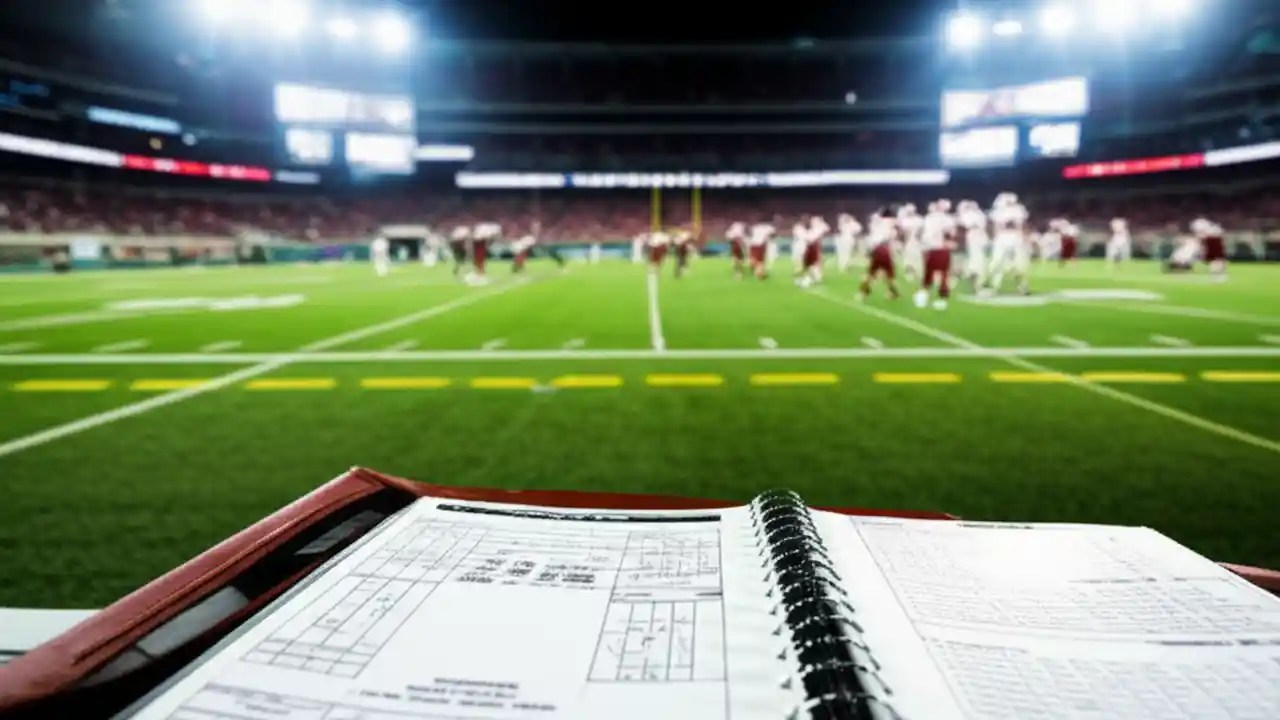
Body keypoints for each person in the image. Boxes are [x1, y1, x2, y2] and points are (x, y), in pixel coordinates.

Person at [916, 201, 957, 310]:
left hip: (929, 248)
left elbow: (921, 233)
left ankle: (923, 296)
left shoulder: (928, 218)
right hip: (941, 247)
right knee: (943, 274)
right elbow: (950, 234)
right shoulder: (947, 219)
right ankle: (941, 299)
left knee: (928, 273)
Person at [988, 192, 1030, 294]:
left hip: (1015, 236)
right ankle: (995, 285)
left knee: (1019, 263)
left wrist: (1025, 237)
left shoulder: (1019, 209)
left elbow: (1022, 225)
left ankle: (1022, 286)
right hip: (1002, 237)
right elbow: (996, 226)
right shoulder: (998, 211)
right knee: (997, 261)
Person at [858, 207, 900, 301]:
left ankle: (863, 292)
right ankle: (892, 292)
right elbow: (893, 233)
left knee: (871, 272)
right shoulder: (890, 222)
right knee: (889, 273)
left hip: (876, 248)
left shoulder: (877, 223)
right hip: (883, 249)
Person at [957, 200, 988, 290]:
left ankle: (976, 282)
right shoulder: (968, 215)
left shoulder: (979, 215)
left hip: (979, 239)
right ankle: (976, 282)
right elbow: (966, 225)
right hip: (973, 239)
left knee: (979, 261)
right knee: (976, 261)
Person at [897, 203, 924, 281]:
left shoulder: (918, 220)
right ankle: (911, 273)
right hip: (910, 242)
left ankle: (914, 274)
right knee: (910, 259)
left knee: (915, 259)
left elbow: (922, 232)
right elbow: (901, 234)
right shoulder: (915, 220)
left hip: (915, 242)